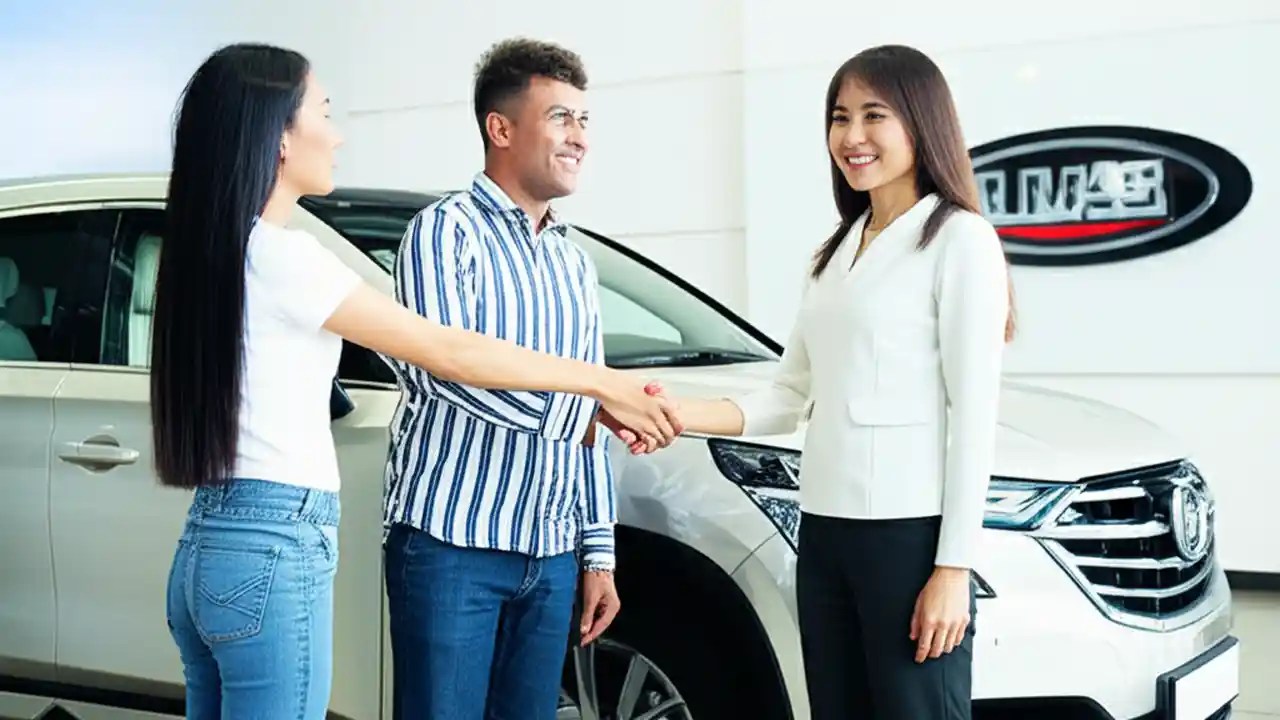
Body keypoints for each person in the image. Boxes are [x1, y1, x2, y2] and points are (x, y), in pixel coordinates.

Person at [153, 43, 679, 720]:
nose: (337, 134)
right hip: (275, 547)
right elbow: (446, 354)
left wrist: (595, 520)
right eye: (324, 112)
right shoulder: (289, 258)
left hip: (212, 540)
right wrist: (599, 389)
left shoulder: (220, 249)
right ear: (278, 137)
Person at [670, 44, 1016, 719]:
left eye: (873, 116)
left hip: (909, 538)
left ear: (921, 122)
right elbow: (787, 399)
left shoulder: (960, 239)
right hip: (823, 533)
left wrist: (953, 569)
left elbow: (974, 417)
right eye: (839, 118)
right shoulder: (834, 252)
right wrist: (673, 413)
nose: (852, 137)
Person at [380, 38, 632, 720]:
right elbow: (446, 374)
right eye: (560, 118)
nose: (579, 136)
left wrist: (597, 551)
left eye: (584, 120)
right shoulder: (443, 233)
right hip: (451, 545)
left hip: (549, 555)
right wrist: (583, 416)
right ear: (501, 128)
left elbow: (592, 391)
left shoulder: (573, 262)